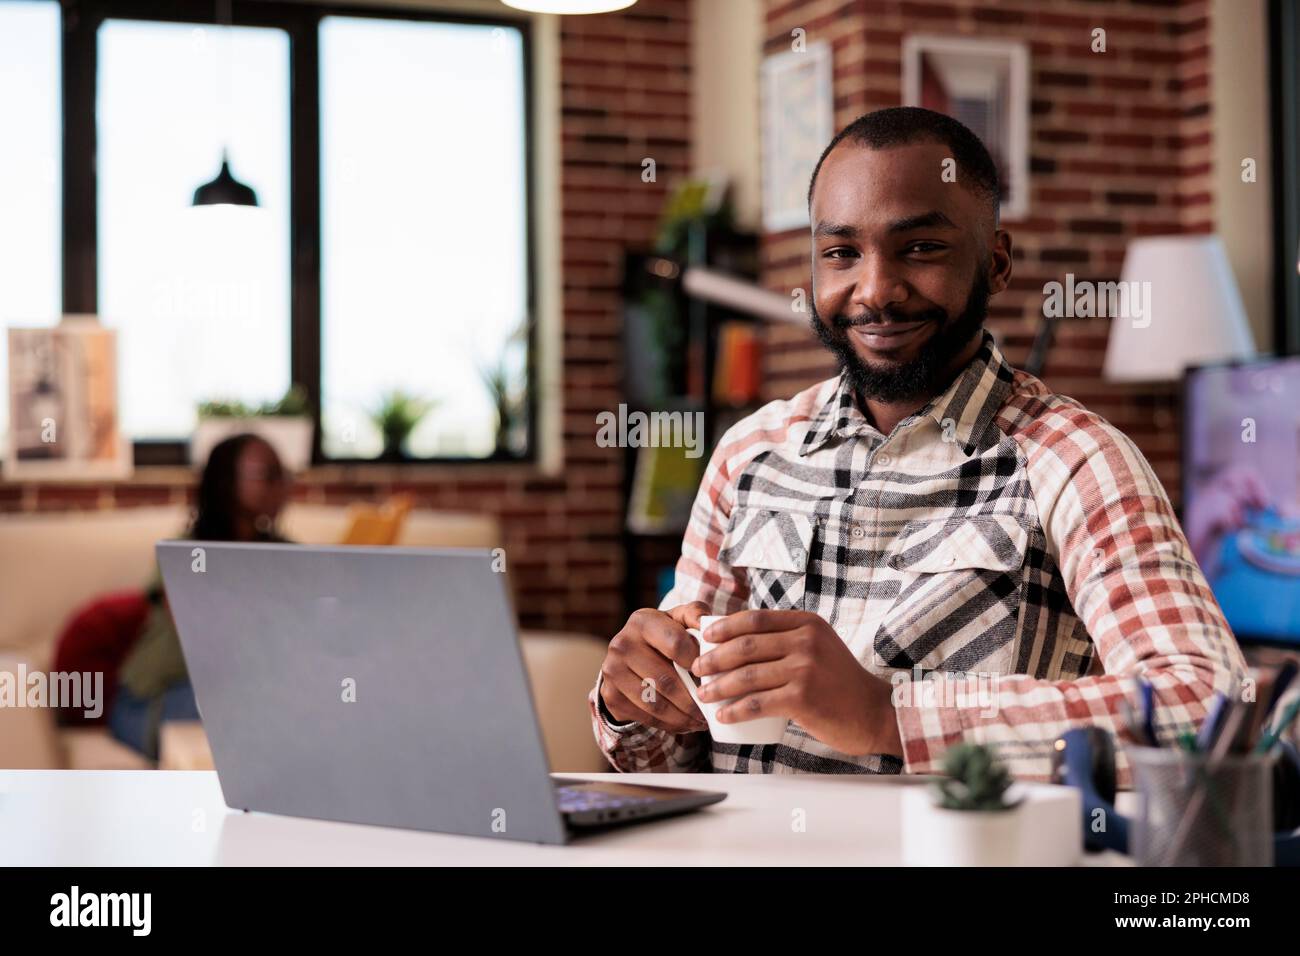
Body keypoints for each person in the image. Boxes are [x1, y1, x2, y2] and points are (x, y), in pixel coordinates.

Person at [590, 106, 1247, 781]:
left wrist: (887, 715)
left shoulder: (1076, 460)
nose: (875, 290)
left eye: (921, 248)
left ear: (994, 263)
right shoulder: (748, 454)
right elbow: (672, 755)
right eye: (841, 252)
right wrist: (635, 705)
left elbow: (1209, 707)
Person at [109, 433, 291, 759]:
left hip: (237, 692)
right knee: (256, 704)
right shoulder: (187, 554)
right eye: (269, 475)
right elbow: (210, 643)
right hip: (153, 698)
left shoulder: (285, 553)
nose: (283, 486)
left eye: (284, 475)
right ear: (226, 481)